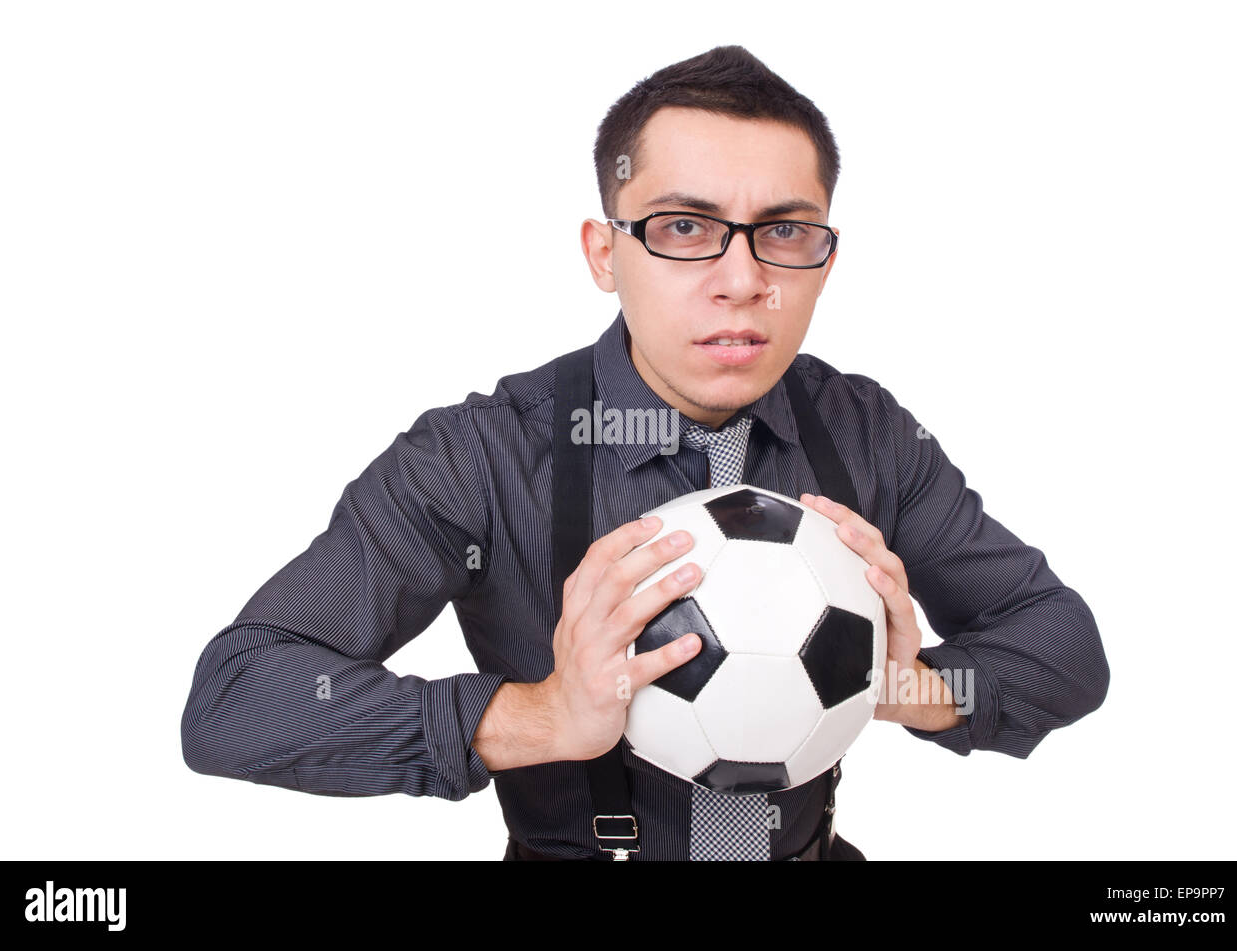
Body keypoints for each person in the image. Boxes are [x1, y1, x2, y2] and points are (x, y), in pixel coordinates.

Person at [181, 45, 1110, 861]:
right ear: (603, 252)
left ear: (825, 259)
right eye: (684, 228)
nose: (743, 281)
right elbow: (237, 696)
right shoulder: (479, 455)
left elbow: (1062, 643)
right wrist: (540, 714)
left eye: (784, 232)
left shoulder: (865, 432)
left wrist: (915, 686)